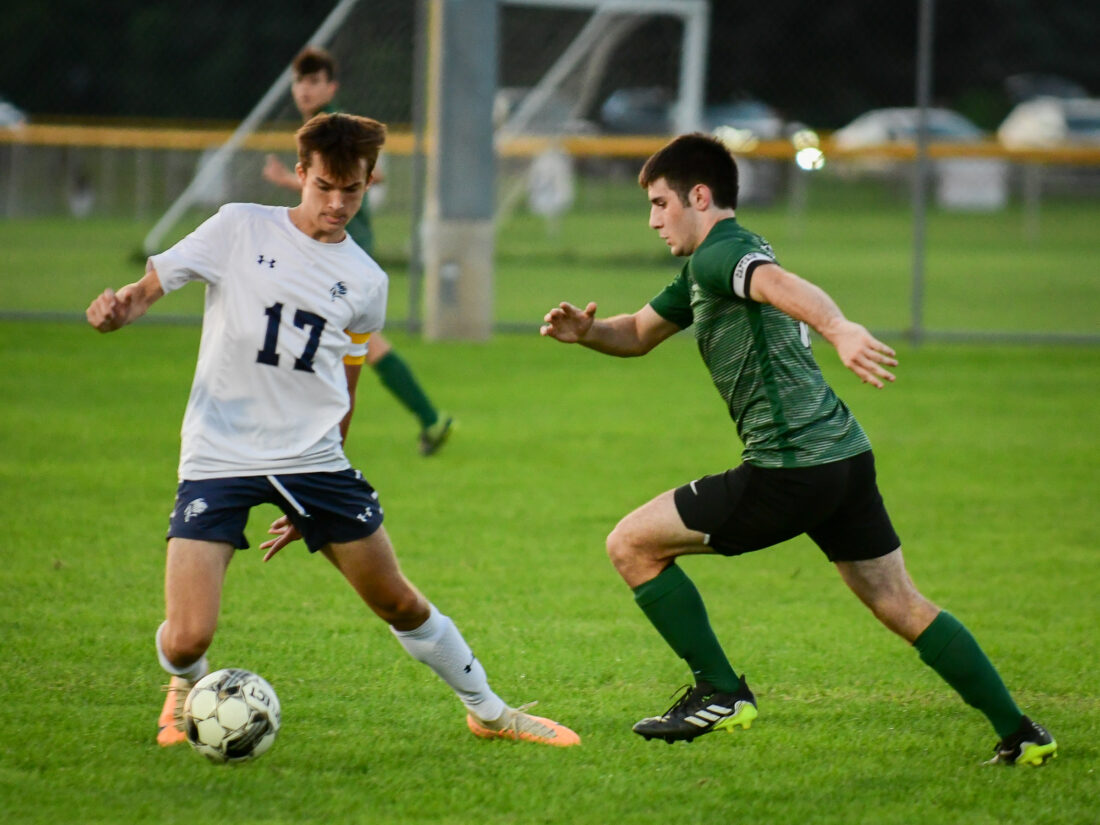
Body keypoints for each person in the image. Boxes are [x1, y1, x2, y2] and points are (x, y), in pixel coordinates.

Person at [539, 133, 1054, 766]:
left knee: (631, 545)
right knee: (900, 603)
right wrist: (589, 332)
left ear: (699, 197)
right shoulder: (714, 259)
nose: (652, 219)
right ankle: (1021, 732)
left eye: (659, 202)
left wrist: (838, 327)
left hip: (790, 470)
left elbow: (778, 284)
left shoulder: (722, 256)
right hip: (844, 458)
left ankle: (721, 693)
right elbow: (640, 333)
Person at [86, 113, 579, 750]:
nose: (339, 203)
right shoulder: (239, 226)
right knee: (187, 638)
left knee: (398, 601)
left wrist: (317, 489)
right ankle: (184, 684)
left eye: (353, 190)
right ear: (300, 174)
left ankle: (490, 711)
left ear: (370, 181)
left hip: (314, 462)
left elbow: (347, 380)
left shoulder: (368, 281)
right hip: (218, 454)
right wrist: (121, 306)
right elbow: (150, 288)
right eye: (325, 187)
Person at [264, 46, 452, 456]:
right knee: (347, 340)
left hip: (346, 249)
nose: (305, 90)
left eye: (314, 81)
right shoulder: (318, 128)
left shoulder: (336, 125)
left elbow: (374, 171)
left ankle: (428, 416)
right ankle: (427, 417)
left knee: (361, 342)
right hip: (330, 249)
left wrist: (292, 183)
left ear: (331, 86)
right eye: (300, 81)